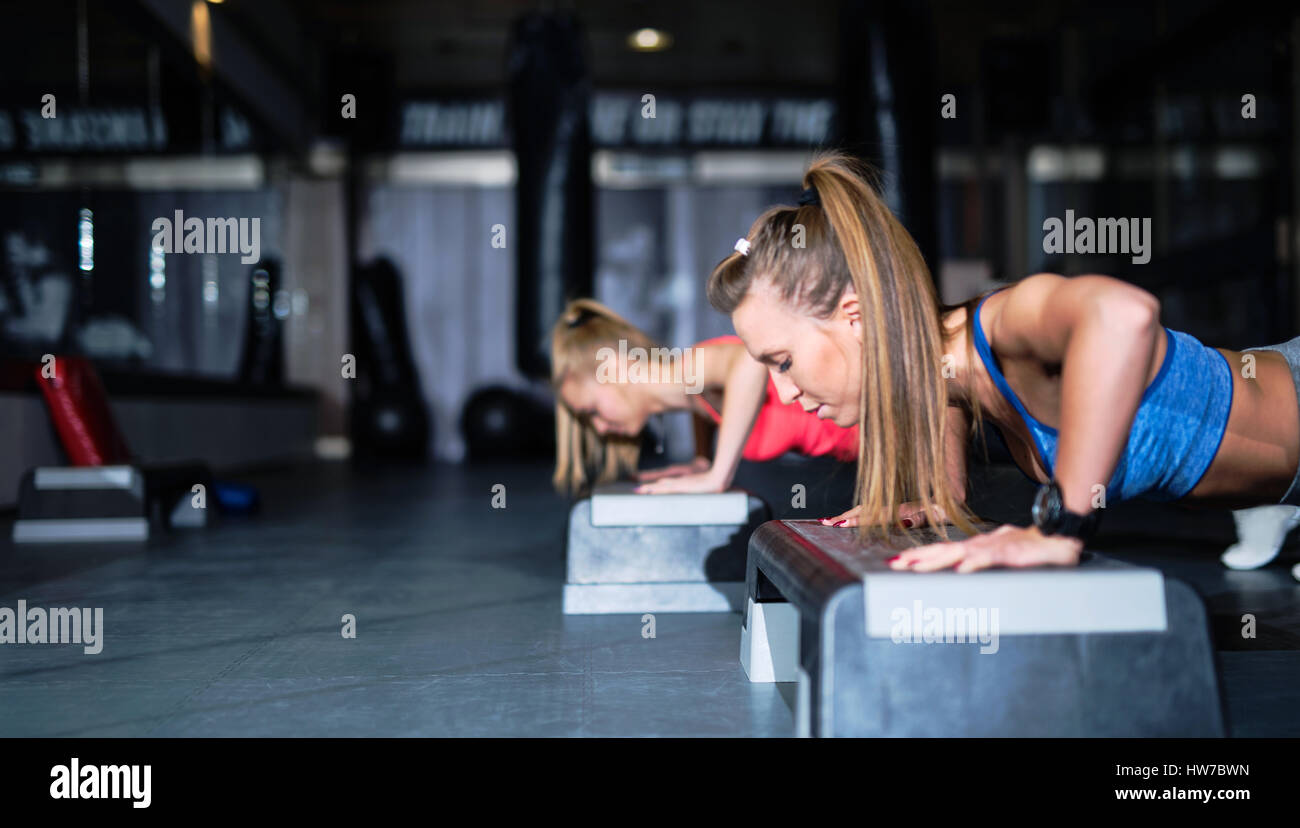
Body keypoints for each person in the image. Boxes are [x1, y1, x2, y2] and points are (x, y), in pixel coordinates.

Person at [706, 151, 1300, 574]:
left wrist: (1062, 531)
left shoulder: (1008, 322)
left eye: (781, 361)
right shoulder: (948, 364)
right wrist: (943, 498)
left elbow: (1125, 315)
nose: (781, 394)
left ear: (855, 315)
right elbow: (943, 394)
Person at [550, 298, 857, 496]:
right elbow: (708, 405)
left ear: (614, 368)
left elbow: (748, 363)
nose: (600, 428)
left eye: (592, 411)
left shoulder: (687, 369)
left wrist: (716, 476)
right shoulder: (692, 392)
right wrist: (703, 460)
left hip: (891, 430)